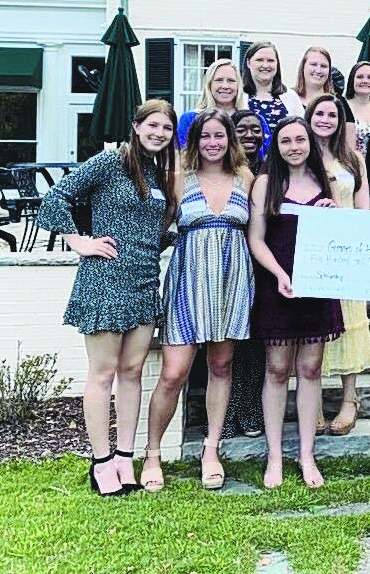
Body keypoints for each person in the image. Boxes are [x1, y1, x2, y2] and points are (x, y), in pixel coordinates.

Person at [36, 99, 179, 496]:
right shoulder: (109, 162)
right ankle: (100, 463)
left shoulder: (157, 174)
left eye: (166, 128)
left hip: (145, 281)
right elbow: (56, 197)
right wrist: (78, 241)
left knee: (132, 373)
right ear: (136, 126)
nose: (158, 133)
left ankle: (124, 458)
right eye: (152, 125)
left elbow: (149, 231)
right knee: (103, 373)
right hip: (106, 278)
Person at [139, 111, 254, 492]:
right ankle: (152, 453)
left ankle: (211, 449)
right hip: (188, 281)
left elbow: (265, 228)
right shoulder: (177, 179)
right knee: (174, 373)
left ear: (230, 140)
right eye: (205, 136)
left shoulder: (246, 179)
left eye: (220, 135)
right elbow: (156, 230)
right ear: (195, 140)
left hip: (232, 281)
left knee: (221, 366)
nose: (213, 143)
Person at [248, 116, 345, 489]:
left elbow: (339, 238)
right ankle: (274, 456)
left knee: (310, 369)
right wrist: (279, 275)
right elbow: (256, 239)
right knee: (276, 369)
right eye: (286, 140)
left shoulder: (325, 183)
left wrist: (334, 219)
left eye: (299, 140)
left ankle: (306, 455)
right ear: (277, 145)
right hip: (279, 285)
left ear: (310, 143)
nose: (293, 146)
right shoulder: (265, 184)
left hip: (318, 288)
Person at [306, 93, 370, 437]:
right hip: (313, 252)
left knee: (349, 320)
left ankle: (350, 399)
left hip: (347, 249)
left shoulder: (354, 160)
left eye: (332, 114)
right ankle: (312, 399)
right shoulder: (298, 155)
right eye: (319, 113)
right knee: (314, 324)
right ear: (310, 116)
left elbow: (364, 211)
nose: (325, 120)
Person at [223, 110, 268, 439]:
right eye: (242, 129)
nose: (250, 134)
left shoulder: (270, 171)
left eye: (256, 129)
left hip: (261, 265)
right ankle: (224, 412)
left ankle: (249, 409)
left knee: (254, 342)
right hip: (226, 262)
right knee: (225, 343)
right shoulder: (221, 170)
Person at [177, 58, 254, 147]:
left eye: (231, 81)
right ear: (209, 85)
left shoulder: (254, 120)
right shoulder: (189, 119)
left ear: (238, 86)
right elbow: (180, 155)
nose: (225, 86)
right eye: (219, 80)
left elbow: (265, 156)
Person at [293, 46, 356, 150]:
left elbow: (349, 147)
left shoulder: (340, 102)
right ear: (303, 67)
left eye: (323, 66)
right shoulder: (289, 98)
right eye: (313, 64)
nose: (318, 70)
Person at [242, 41, 303, 135]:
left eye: (270, 60)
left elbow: (302, 131)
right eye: (259, 60)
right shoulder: (239, 96)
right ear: (248, 63)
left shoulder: (291, 97)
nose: (265, 65)